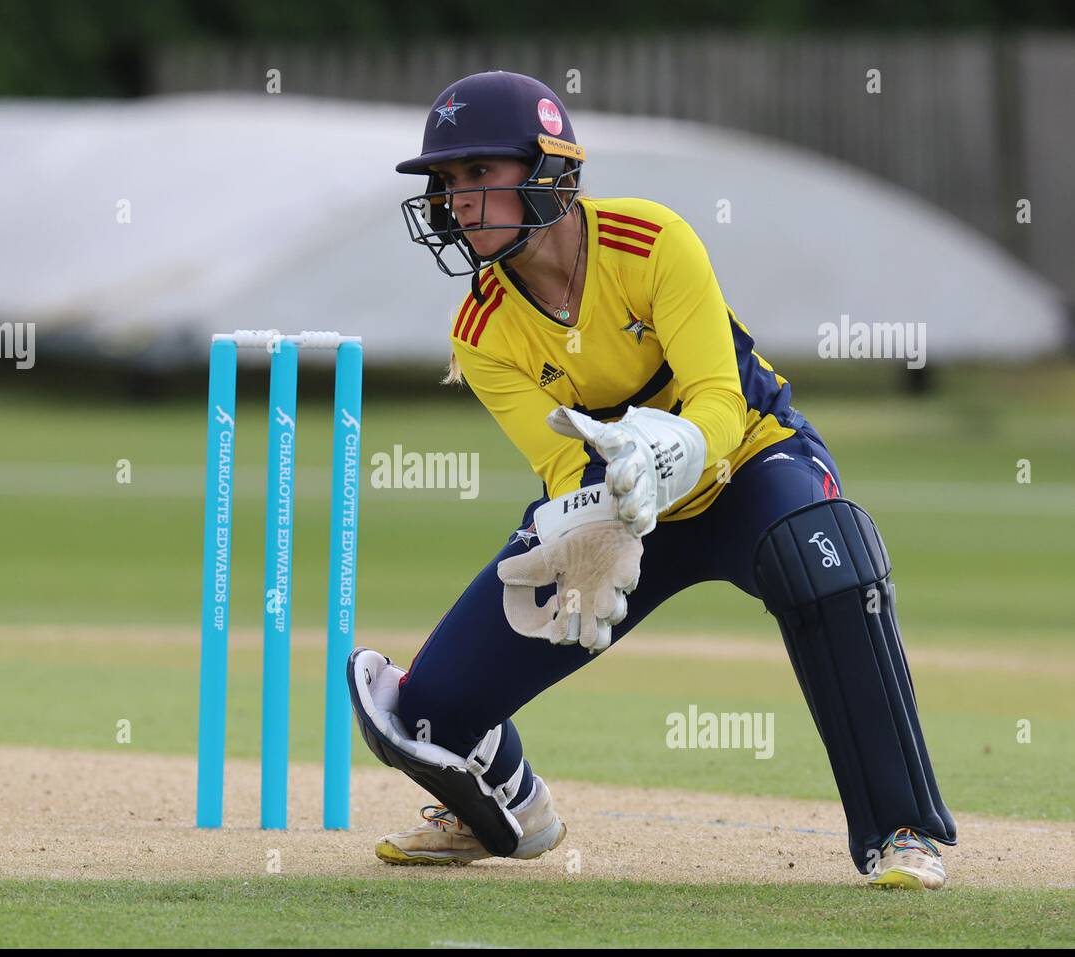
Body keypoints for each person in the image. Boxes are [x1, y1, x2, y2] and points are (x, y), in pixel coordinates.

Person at [347, 70, 955, 889]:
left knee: (829, 562)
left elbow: (719, 403)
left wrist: (669, 459)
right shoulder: (481, 330)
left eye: (479, 175)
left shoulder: (653, 241)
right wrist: (592, 523)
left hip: (750, 467)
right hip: (617, 514)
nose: (458, 201)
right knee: (422, 719)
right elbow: (563, 464)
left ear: (552, 170)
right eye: (447, 183)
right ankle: (509, 799)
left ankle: (901, 831)